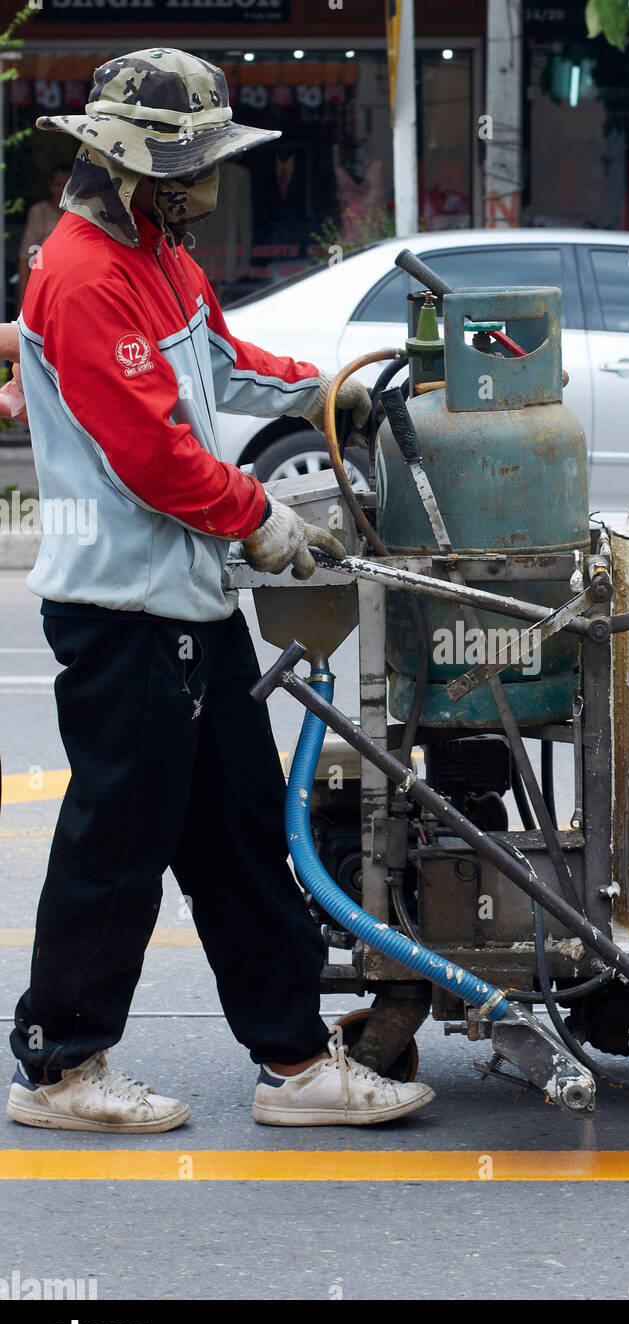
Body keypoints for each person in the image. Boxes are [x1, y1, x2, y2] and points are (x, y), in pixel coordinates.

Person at [6, 48, 435, 1134]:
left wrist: (335, 385)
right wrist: (265, 517)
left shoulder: (160, 256)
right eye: (188, 172)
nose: (204, 190)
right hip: (124, 614)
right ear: (130, 167)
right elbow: (154, 460)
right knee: (118, 844)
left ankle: (295, 1063)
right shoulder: (84, 272)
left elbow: (228, 360)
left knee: (242, 835)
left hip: (190, 606)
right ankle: (62, 1067)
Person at [17, 166, 71, 309]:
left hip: (73, 280)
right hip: (45, 281)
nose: (63, 190)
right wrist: (24, 301)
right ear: (50, 186)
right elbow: (27, 255)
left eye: (68, 185)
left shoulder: (82, 213)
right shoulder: (39, 212)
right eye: (59, 185)